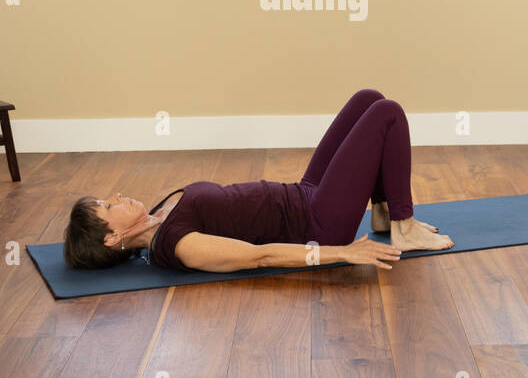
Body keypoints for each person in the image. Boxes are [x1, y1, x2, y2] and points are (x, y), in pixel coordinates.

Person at [63, 89, 453, 272]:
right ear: (112, 239)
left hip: (302, 194)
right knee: (387, 113)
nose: (117, 196)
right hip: (317, 225)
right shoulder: (179, 244)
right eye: (108, 206)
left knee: (368, 99)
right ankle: (403, 226)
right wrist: (343, 252)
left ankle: (384, 215)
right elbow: (258, 256)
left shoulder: (157, 214)